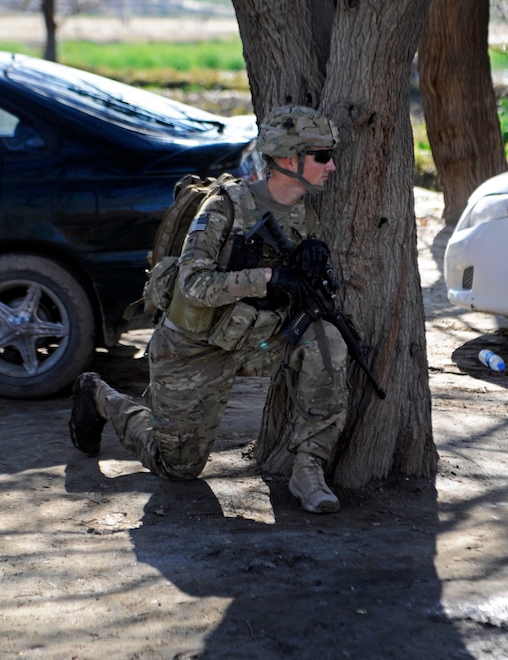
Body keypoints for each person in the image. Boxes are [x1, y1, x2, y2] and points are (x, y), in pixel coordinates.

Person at [69, 105, 349, 514]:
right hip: (193, 346)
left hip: (255, 339)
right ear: (291, 159)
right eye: (322, 156)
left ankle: (308, 468)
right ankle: (100, 397)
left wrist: (312, 268)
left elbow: (300, 293)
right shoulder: (224, 207)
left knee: (328, 341)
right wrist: (269, 278)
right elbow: (193, 284)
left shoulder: (306, 218)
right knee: (178, 467)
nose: (332, 166)